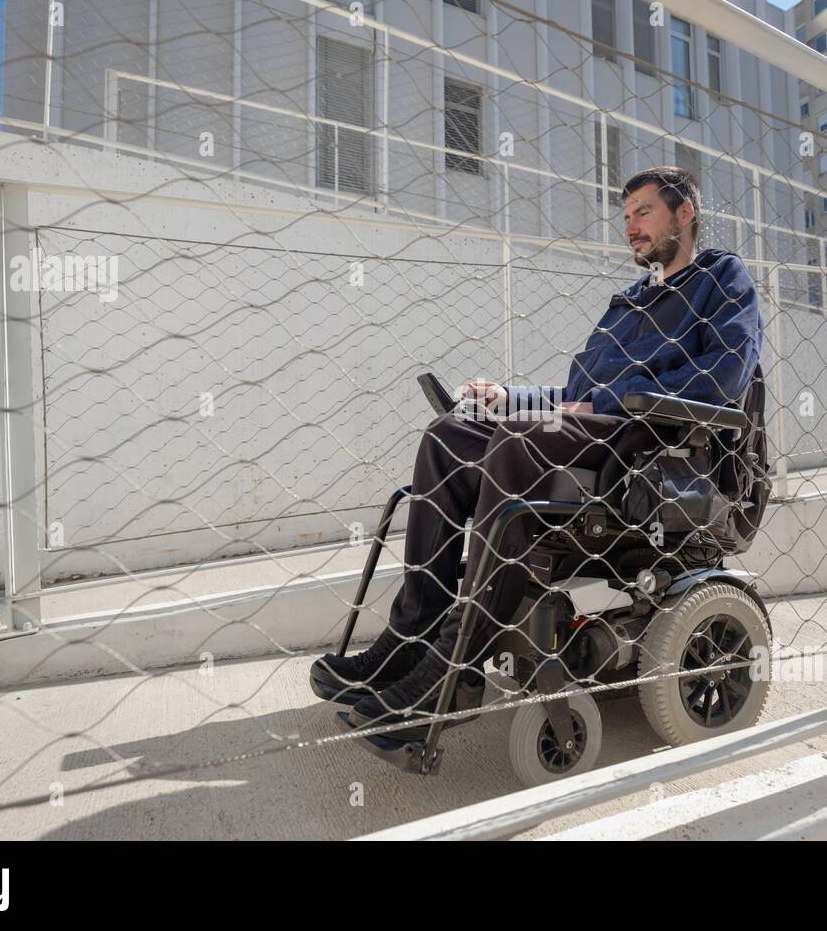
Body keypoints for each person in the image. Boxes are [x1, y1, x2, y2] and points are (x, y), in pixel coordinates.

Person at [309, 165, 764, 744]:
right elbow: (572, 396)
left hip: (654, 450)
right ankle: (410, 636)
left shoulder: (721, 278)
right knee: (450, 431)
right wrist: (509, 397)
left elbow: (723, 379)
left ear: (684, 213)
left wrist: (599, 403)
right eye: (625, 218)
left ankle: (457, 663)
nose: (631, 227)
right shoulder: (628, 304)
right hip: (592, 431)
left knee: (520, 437)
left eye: (643, 212)